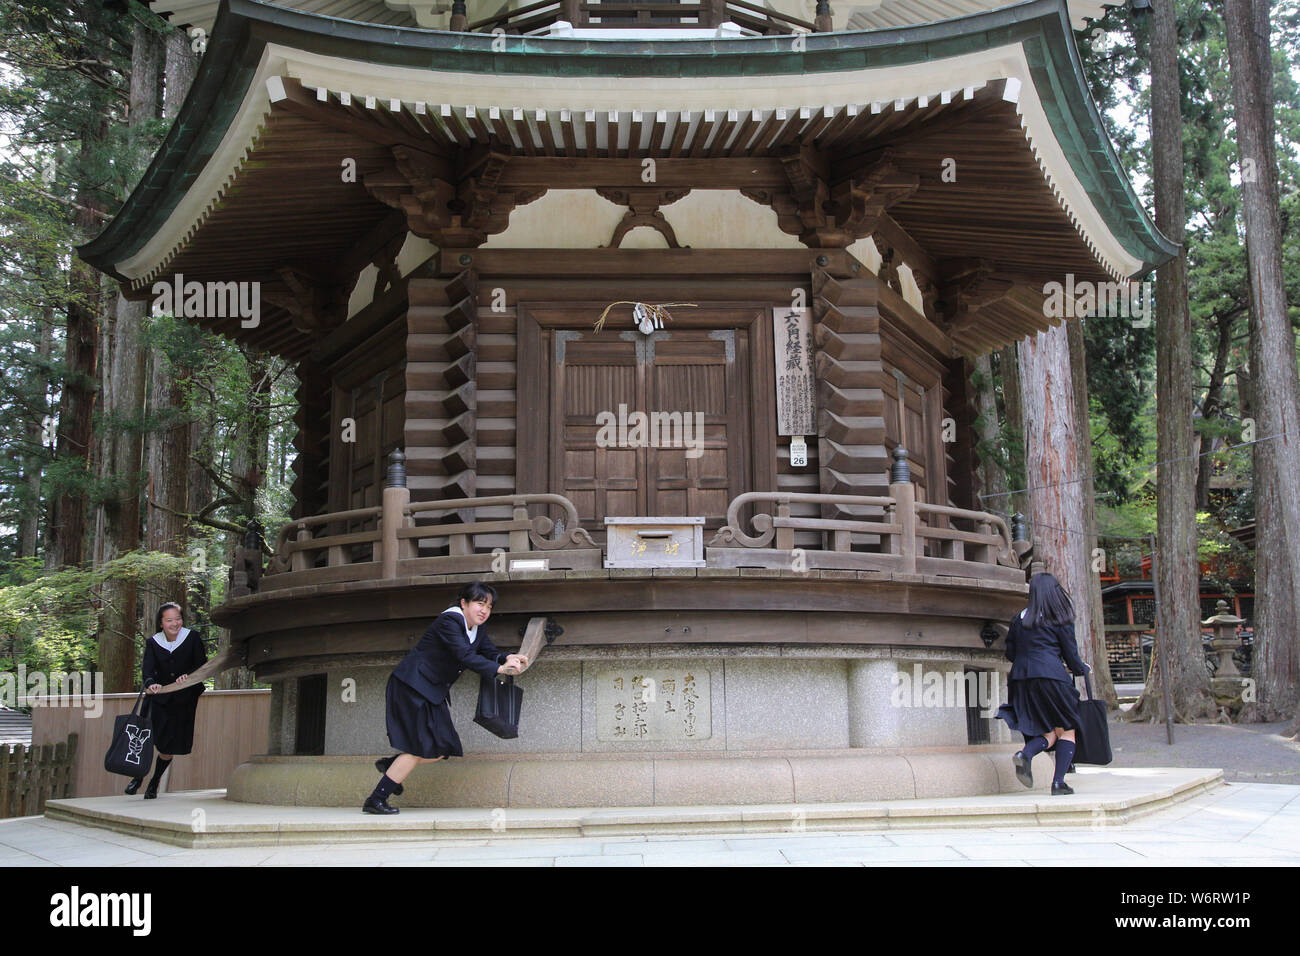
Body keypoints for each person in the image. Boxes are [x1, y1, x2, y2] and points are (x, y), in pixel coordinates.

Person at [363, 581, 528, 814]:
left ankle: (391, 766)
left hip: (432, 691)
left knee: (443, 748)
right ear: (464, 603)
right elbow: (464, 655)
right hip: (411, 687)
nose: (484, 611)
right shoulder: (449, 621)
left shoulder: (476, 628)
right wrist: (499, 670)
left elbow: (488, 651)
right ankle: (376, 800)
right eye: (480, 604)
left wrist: (509, 657)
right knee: (417, 749)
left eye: (489, 607)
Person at [996, 572, 1090, 796]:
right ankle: (1058, 783)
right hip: (1051, 677)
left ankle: (1026, 754)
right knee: (1066, 729)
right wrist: (1081, 669)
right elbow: (1070, 653)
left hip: (1020, 679)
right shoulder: (1059, 617)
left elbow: (1011, 651)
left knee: (1048, 731)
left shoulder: (1020, 618)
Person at [125, 602, 207, 799]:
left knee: (167, 745)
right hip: (158, 698)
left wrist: (187, 675)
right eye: (169, 620)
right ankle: (138, 776)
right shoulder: (153, 642)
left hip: (183, 699)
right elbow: (147, 670)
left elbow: (201, 664)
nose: (175, 623)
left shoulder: (192, 637)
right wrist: (151, 683)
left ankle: (155, 781)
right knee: (145, 737)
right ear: (161, 623)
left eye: (178, 619)